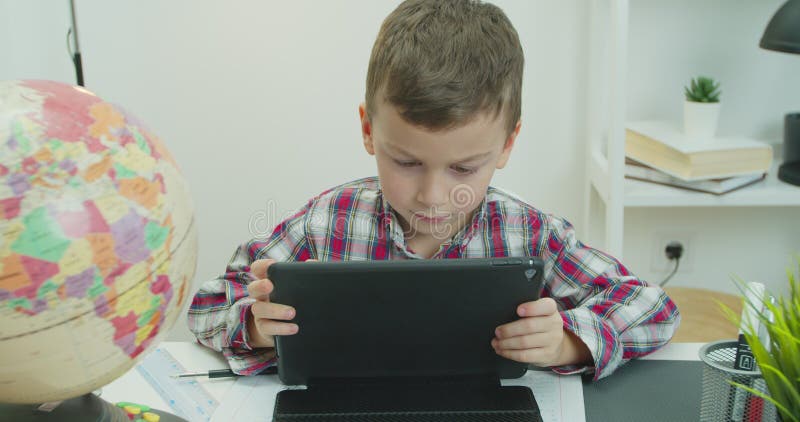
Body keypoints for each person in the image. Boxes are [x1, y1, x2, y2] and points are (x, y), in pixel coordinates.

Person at [187, 0, 679, 380]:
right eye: (406, 161)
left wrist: (567, 342)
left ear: (507, 144)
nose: (433, 196)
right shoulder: (324, 222)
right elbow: (207, 304)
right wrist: (253, 325)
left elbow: (652, 307)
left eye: (464, 168)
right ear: (368, 131)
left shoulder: (530, 234)